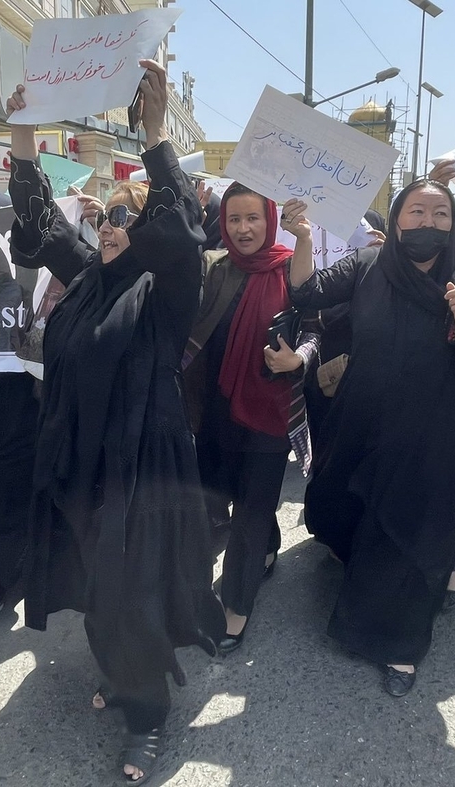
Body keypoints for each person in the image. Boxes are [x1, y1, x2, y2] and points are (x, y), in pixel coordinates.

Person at [7, 61, 224, 784]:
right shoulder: (86, 281)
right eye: (104, 216)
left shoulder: (165, 294)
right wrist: (22, 135)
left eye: (128, 219)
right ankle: (122, 669)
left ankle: (148, 716)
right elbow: (38, 226)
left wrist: (156, 135)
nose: (111, 227)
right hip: (78, 463)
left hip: (141, 472)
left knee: (131, 588)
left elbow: (186, 229)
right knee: (92, 581)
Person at [289, 166, 455, 697]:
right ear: (396, 218)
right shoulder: (368, 263)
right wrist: (301, 238)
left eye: (440, 213)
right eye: (416, 210)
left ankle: (400, 643)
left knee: (409, 531)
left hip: (429, 425)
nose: (427, 221)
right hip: (360, 414)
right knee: (344, 502)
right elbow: (306, 294)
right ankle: (352, 576)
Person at [182, 183, 319, 656]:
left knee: (253, 507)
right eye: (235, 219)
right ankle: (266, 547)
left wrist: (298, 360)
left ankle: (236, 604)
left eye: (253, 219)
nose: (243, 229)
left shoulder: (288, 263)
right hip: (215, 408)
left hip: (269, 409)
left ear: (269, 221)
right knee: (219, 497)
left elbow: (311, 316)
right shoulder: (215, 267)